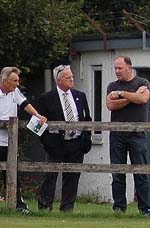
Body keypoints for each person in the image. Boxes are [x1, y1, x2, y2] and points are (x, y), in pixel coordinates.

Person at [34, 65, 91, 213]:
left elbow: (87, 119)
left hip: (76, 143)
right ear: (58, 80)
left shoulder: (80, 96)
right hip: (55, 144)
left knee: (72, 176)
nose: (72, 79)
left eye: (72, 76)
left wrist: (87, 139)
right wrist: (47, 141)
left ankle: (67, 209)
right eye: (68, 77)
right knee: (50, 175)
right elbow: (36, 125)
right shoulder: (46, 98)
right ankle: (45, 207)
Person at [106, 56, 150, 216]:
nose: (117, 71)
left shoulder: (142, 82)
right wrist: (132, 97)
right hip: (117, 135)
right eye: (115, 68)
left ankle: (145, 209)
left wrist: (121, 94)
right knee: (117, 173)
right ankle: (119, 208)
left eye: (120, 68)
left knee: (141, 173)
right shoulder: (112, 85)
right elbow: (110, 105)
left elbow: (143, 98)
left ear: (129, 67)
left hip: (137, 135)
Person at [0, 66, 47, 213]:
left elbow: (25, 104)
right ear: (5, 81)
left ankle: (18, 205)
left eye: (18, 80)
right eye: (14, 81)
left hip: (10, 143)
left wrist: (37, 115)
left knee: (12, 174)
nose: (17, 84)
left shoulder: (15, 92)